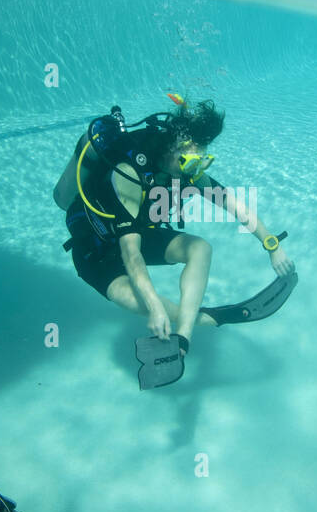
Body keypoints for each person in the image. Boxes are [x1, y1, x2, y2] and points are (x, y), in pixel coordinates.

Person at [54, 94, 296, 386]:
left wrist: (272, 245)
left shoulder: (184, 171)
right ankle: (211, 318)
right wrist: (154, 306)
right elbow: (131, 254)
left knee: (200, 248)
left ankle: (184, 336)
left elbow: (234, 205)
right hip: (96, 252)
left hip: (139, 235)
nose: (194, 171)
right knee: (142, 303)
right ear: (174, 148)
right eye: (191, 161)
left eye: (202, 162)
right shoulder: (129, 175)